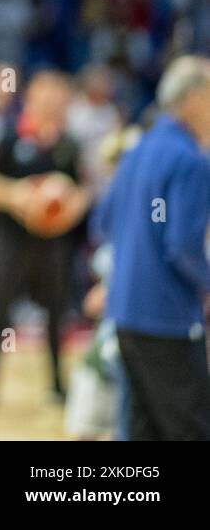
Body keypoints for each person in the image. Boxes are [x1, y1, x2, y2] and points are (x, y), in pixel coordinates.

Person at [92, 55, 210, 440]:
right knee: (189, 428)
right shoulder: (190, 160)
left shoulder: (135, 152)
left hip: (124, 313)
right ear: (193, 99)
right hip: (168, 317)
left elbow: (103, 223)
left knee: (140, 432)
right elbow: (181, 245)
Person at [0, 69, 89, 406]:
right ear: (32, 97)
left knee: (56, 311)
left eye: (59, 95)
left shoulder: (69, 144)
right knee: (1, 312)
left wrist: (72, 203)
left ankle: (56, 385)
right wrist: (17, 195)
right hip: (10, 240)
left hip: (54, 243)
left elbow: (85, 189)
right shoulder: (7, 136)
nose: (53, 101)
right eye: (46, 94)